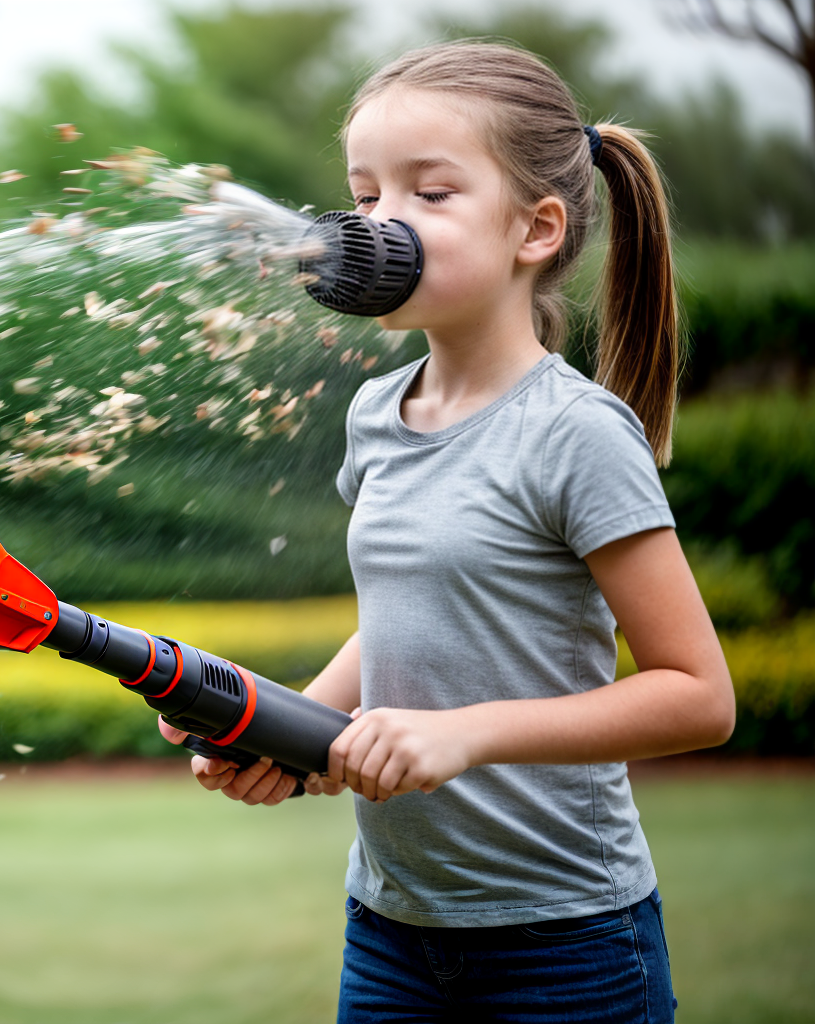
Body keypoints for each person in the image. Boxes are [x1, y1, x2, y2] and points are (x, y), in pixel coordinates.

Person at [160, 40, 734, 1023]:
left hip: (567, 940)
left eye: (429, 194)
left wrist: (465, 736)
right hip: (390, 927)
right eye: (366, 193)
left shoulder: (574, 432)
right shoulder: (378, 413)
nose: (379, 223)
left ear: (536, 229)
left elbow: (697, 697)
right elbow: (401, 621)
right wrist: (284, 730)